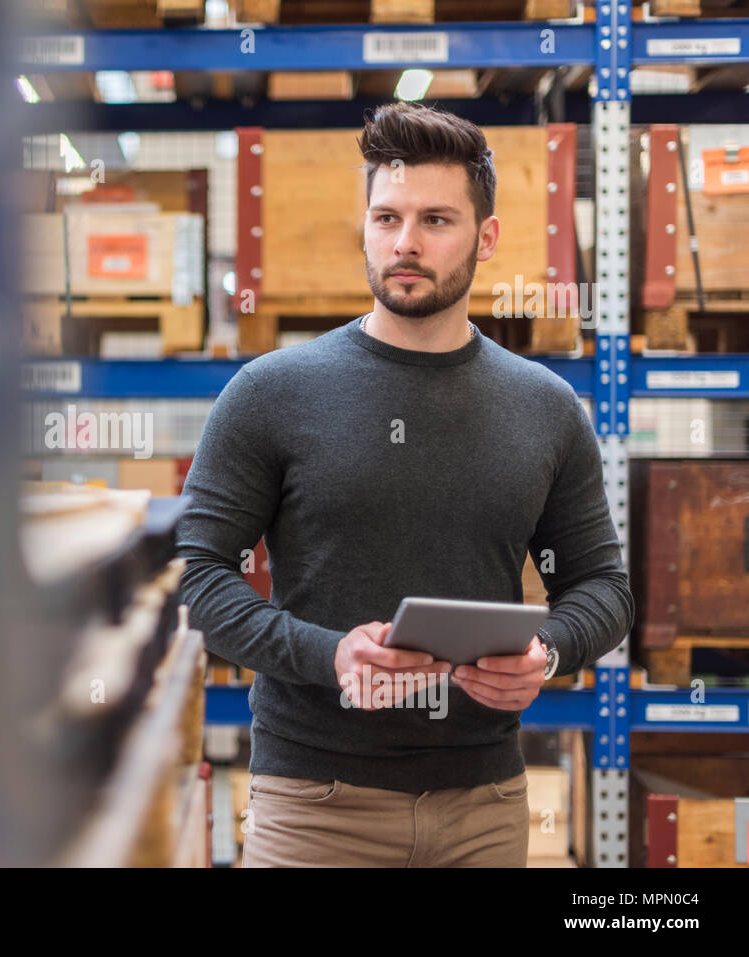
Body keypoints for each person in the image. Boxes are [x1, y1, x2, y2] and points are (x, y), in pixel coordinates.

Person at [176, 102, 634, 867]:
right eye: (385, 217)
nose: (405, 243)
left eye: (435, 219)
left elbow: (604, 587)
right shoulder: (271, 392)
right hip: (314, 806)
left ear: (486, 238)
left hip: (484, 808)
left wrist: (547, 651)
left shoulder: (544, 406)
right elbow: (194, 576)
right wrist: (331, 656)